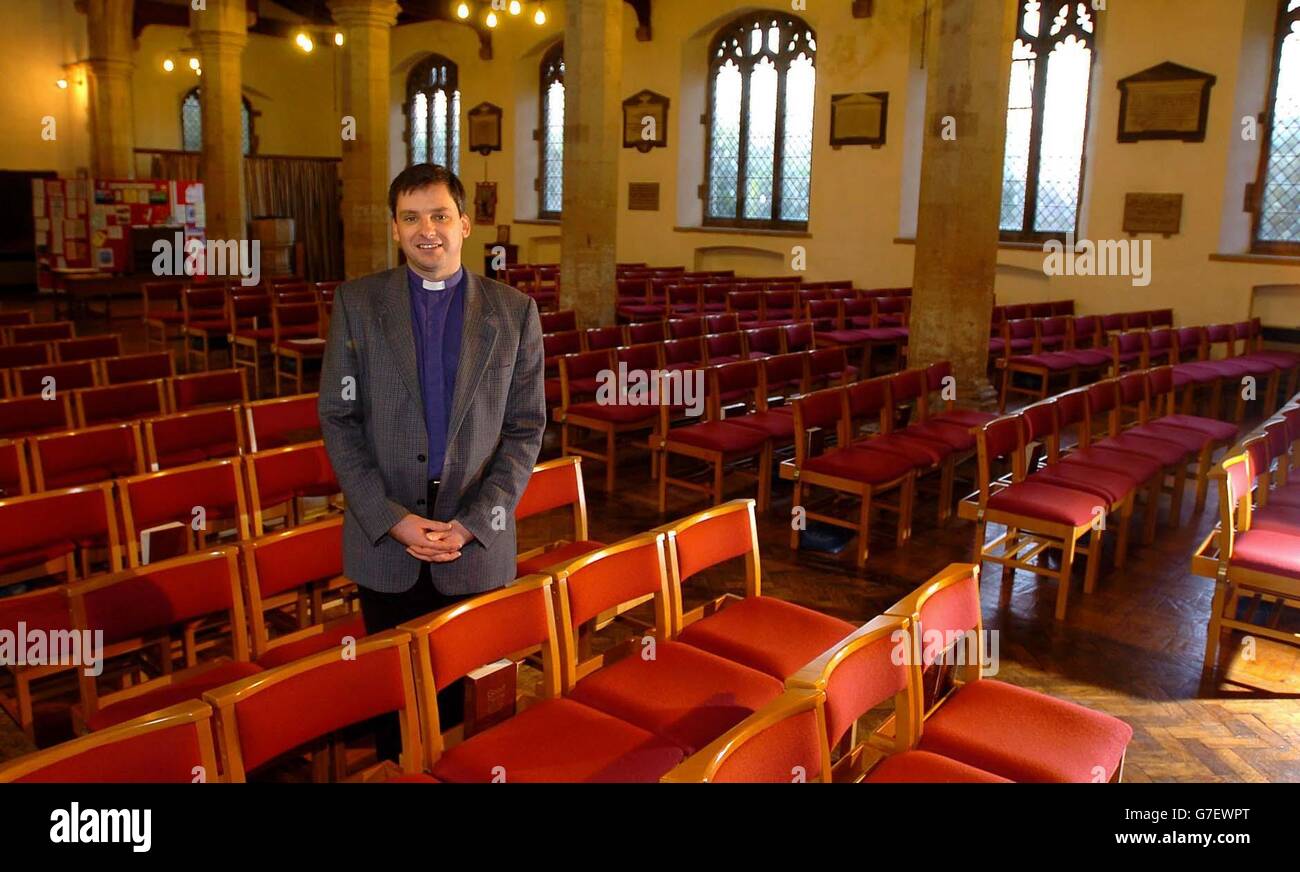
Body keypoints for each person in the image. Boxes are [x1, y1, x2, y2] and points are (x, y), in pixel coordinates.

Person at [319, 164, 545, 757]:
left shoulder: (514, 311)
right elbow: (338, 419)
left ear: (465, 224)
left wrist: (473, 524)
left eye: (440, 215)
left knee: (471, 711)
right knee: (394, 703)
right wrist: (389, 517)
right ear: (395, 228)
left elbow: (525, 430)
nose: (428, 230)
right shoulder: (357, 304)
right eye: (412, 217)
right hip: (387, 545)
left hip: (474, 546)